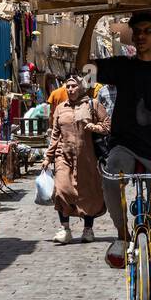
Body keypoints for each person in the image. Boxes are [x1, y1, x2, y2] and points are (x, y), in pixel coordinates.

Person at [80, 11, 151, 300]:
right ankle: (123, 236)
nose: (140, 35)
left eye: (146, 31)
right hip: (125, 146)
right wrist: (90, 22)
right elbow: (82, 72)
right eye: (136, 31)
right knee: (111, 171)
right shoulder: (121, 67)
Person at [45, 73, 110, 243]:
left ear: (81, 88)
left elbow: (107, 126)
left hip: (87, 157)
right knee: (61, 189)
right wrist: (48, 157)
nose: (71, 89)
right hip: (63, 156)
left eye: (74, 86)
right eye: (68, 86)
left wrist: (94, 127)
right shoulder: (60, 108)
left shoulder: (92, 104)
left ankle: (88, 229)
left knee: (88, 192)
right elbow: (55, 135)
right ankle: (64, 229)